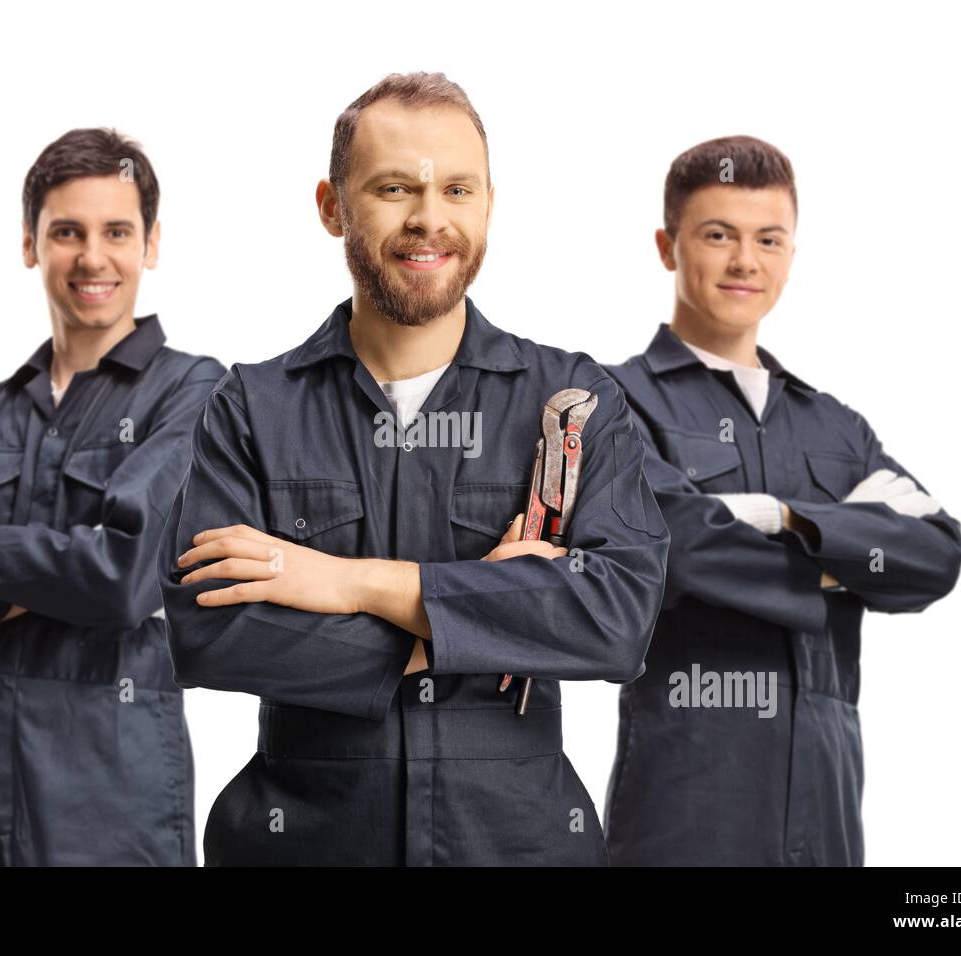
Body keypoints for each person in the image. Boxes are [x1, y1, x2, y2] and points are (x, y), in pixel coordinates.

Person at [158, 72, 669, 866]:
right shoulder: (252, 407)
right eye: (395, 187)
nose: (430, 218)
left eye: (458, 188)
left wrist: (350, 582)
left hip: (520, 847)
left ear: (489, 203)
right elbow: (209, 631)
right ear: (332, 206)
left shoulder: (571, 398)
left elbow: (617, 618)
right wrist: (481, 619)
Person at [601, 135, 961, 866]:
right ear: (667, 246)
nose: (746, 261)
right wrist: (848, 550)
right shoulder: (616, 401)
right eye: (718, 235)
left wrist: (785, 520)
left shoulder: (834, 424)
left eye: (769, 238)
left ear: (792, 253)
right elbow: (677, 549)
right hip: (688, 793)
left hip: (827, 797)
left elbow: (938, 555)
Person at [0, 128, 226, 865]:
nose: (92, 257)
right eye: (66, 232)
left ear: (151, 244)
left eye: (116, 232)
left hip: (111, 814)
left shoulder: (193, 393)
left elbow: (125, 580)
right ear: (31, 244)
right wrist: (64, 566)